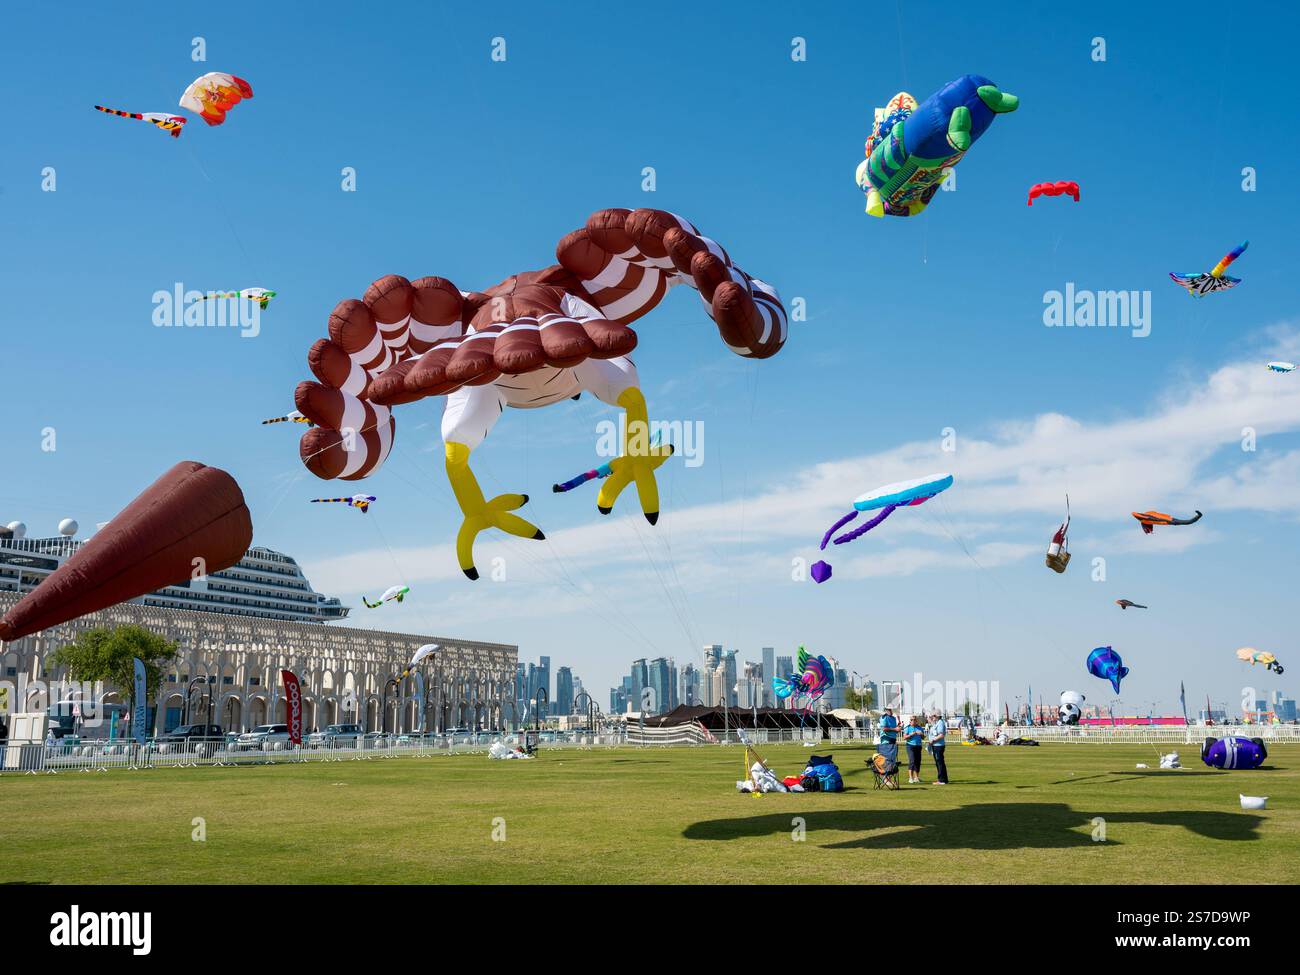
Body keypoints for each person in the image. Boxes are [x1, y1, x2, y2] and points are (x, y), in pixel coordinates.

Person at [877, 706, 899, 786]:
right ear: (886, 710)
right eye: (889, 709)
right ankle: (885, 779)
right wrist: (895, 729)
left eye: (891, 709)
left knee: (892, 760)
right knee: (886, 760)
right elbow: (884, 729)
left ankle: (889, 779)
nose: (891, 711)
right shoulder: (883, 717)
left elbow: (894, 729)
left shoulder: (893, 718)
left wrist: (898, 729)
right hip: (886, 740)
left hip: (893, 739)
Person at [927, 711, 949, 784]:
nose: (932, 717)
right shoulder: (937, 723)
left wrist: (933, 740)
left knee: (939, 763)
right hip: (936, 745)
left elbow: (941, 735)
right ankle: (943, 779)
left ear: (937, 716)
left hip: (938, 745)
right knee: (939, 763)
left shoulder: (940, 723)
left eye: (933, 716)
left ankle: (942, 780)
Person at [903, 714, 924, 784]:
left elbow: (923, 737)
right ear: (910, 721)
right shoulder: (908, 728)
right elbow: (904, 737)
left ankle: (916, 777)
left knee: (918, 761)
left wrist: (921, 734)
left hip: (918, 746)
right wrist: (911, 734)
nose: (914, 721)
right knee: (912, 761)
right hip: (910, 746)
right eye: (912, 720)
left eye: (915, 720)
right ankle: (910, 778)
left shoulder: (919, 727)